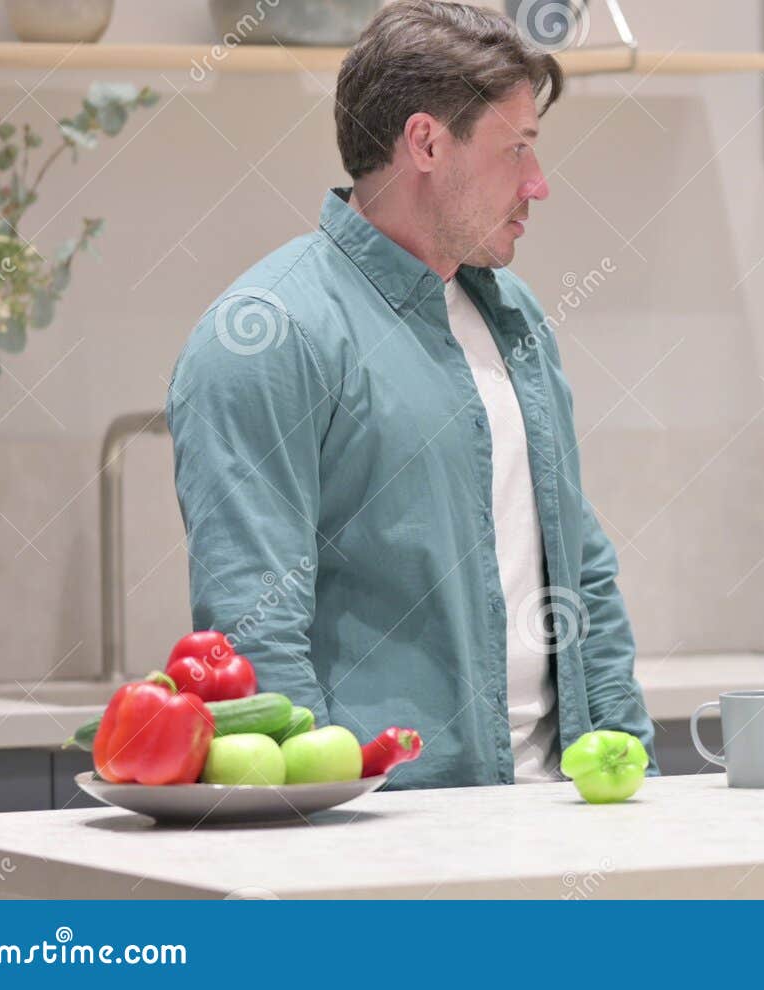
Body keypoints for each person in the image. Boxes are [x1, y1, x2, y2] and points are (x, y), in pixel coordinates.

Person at [165, 1, 655, 790]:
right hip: (387, 832)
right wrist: (318, 832)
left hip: (568, 808)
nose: (539, 185)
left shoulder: (513, 314)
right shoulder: (266, 335)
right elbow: (257, 636)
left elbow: (581, 567)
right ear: (426, 142)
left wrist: (639, 781)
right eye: (517, 150)